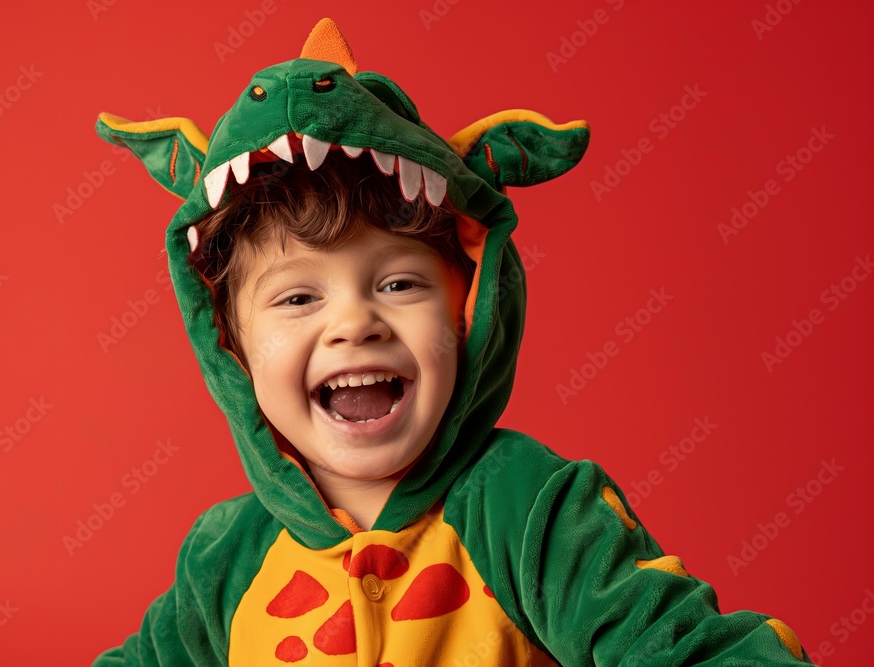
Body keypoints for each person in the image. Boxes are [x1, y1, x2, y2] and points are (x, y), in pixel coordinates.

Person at [91, 17, 812, 666]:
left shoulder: (531, 507)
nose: (354, 323)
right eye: (299, 297)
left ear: (468, 312)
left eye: (399, 285)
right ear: (232, 346)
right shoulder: (225, 557)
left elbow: (682, 643)